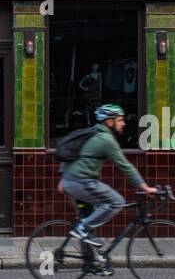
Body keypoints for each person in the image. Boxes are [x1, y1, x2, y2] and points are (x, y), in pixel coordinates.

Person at [58, 104, 157, 248]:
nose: (123, 123)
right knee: (116, 202)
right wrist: (145, 187)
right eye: (120, 120)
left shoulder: (91, 133)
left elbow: (72, 155)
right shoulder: (106, 139)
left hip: (71, 182)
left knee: (88, 217)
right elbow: (125, 166)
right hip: (82, 182)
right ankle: (82, 229)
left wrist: (64, 178)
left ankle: (92, 263)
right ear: (109, 122)